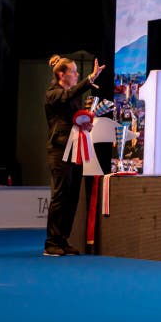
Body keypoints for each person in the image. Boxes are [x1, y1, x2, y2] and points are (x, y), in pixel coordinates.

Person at [44, 55, 105, 256]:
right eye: (74, 71)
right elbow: (67, 96)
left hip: (75, 149)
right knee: (60, 195)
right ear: (62, 74)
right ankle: (51, 242)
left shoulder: (72, 96)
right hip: (59, 150)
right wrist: (89, 79)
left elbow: (75, 118)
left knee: (71, 197)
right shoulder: (53, 94)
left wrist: (85, 122)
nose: (77, 74)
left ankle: (63, 240)